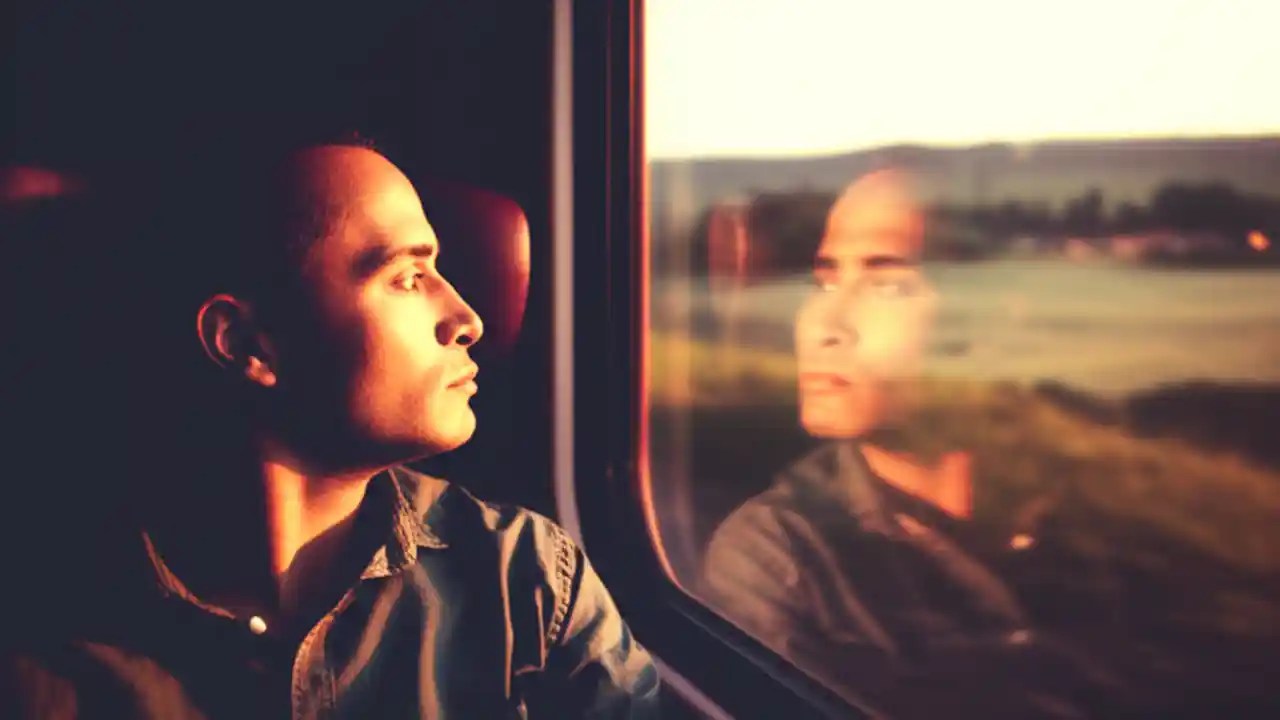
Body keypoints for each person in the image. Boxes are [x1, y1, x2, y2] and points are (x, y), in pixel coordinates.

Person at [0, 138, 660, 718]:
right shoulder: (40, 627)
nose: (466, 318)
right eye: (408, 277)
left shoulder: (528, 584)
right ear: (246, 343)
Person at [700, 169, 1128, 717]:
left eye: (886, 283)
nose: (825, 324)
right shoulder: (780, 558)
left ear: (994, 320)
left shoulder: (1094, 524)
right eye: (824, 281)